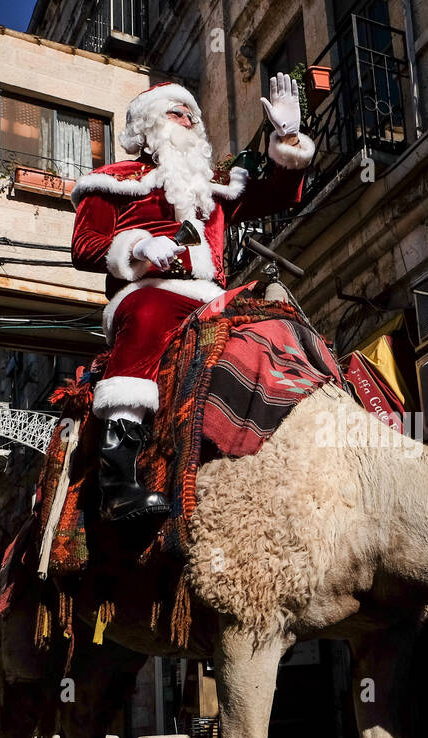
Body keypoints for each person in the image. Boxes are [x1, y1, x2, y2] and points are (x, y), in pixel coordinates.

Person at [71, 75, 316, 520]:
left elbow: (281, 195)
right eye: (175, 112)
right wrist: (138, 247)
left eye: (191, 115)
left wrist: (288, 137)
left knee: (273, 318)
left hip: (212, 296)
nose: (188, 120)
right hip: (148, 290)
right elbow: (85, 246)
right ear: (147, 126)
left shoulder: (217, 186)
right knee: (148, 314)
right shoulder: (111, 181)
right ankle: (118, 481)